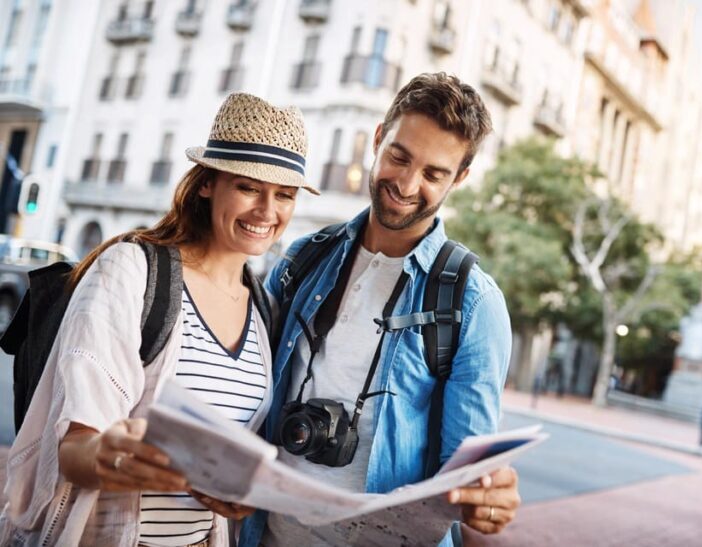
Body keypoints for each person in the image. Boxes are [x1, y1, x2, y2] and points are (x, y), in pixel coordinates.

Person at [0, 93, 317, 546]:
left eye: (284, 195)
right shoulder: (130, 271)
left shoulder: (264, 309)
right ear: (207, 183)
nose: (268, 211)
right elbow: (72, 453)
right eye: (249, 187)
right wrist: (112, 456)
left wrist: (235, 490)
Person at [240, 72, 519, 546]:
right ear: (377, 139)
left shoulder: (474, 304)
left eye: (434, 174)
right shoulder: (302, 258)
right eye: (399, 156)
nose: (408, 184)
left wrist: (489, 499)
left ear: (461, 178)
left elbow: (465, 480)